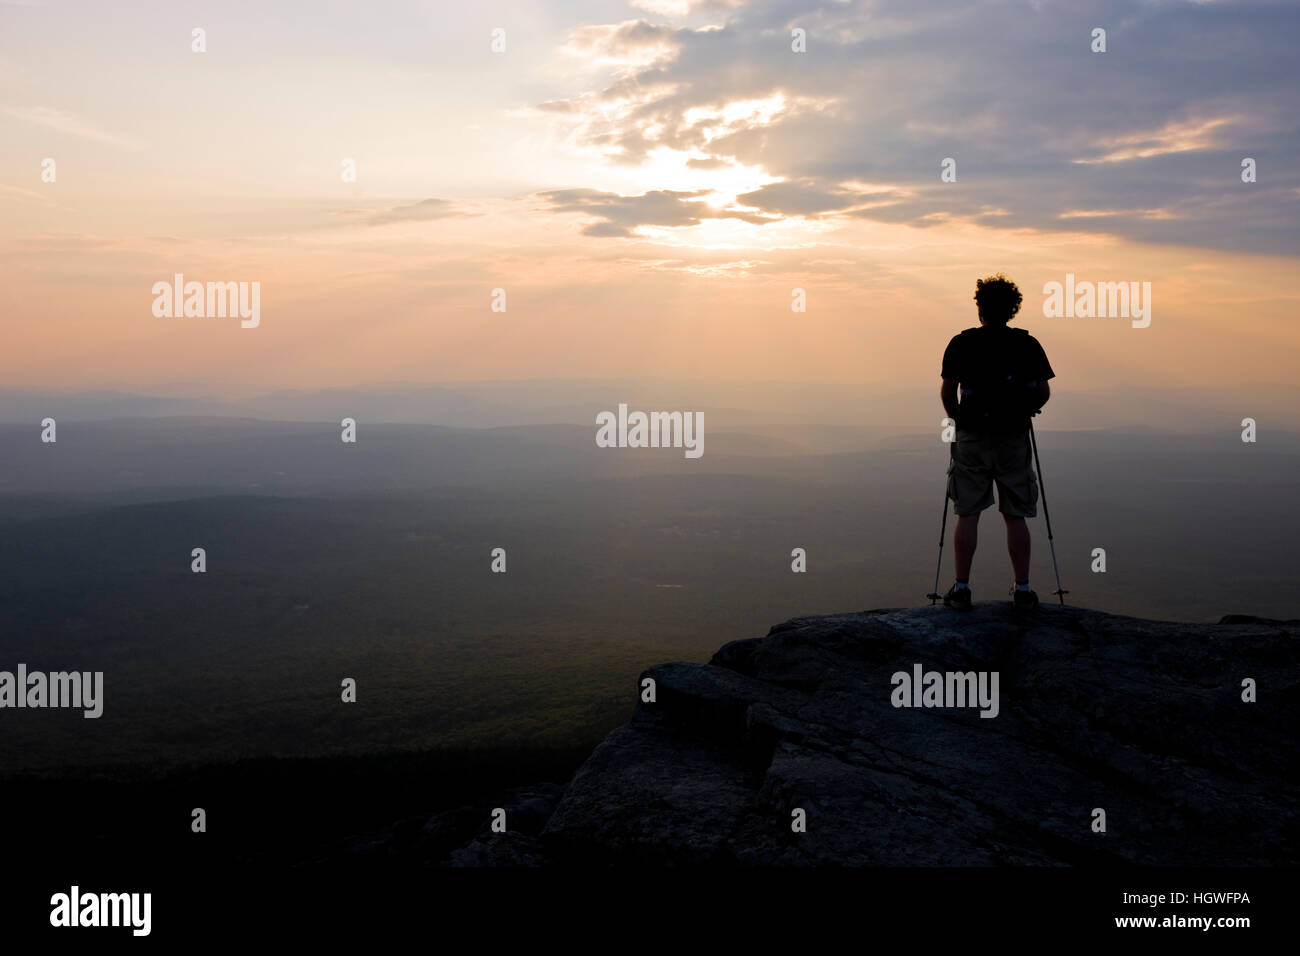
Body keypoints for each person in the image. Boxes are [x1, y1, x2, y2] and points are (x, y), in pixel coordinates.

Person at [939, 274, 1054, 611]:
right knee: (1015, 514)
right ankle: (1023, 589)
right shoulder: (1026, 344)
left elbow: (947, 392)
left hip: (972, 436)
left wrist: (959, 421)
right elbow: (1043, 392)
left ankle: (961, 589)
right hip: (1013, 436)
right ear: (1012, 309)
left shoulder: (961, 343)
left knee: (967, 511)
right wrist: (1026, 411)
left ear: (980, 308)